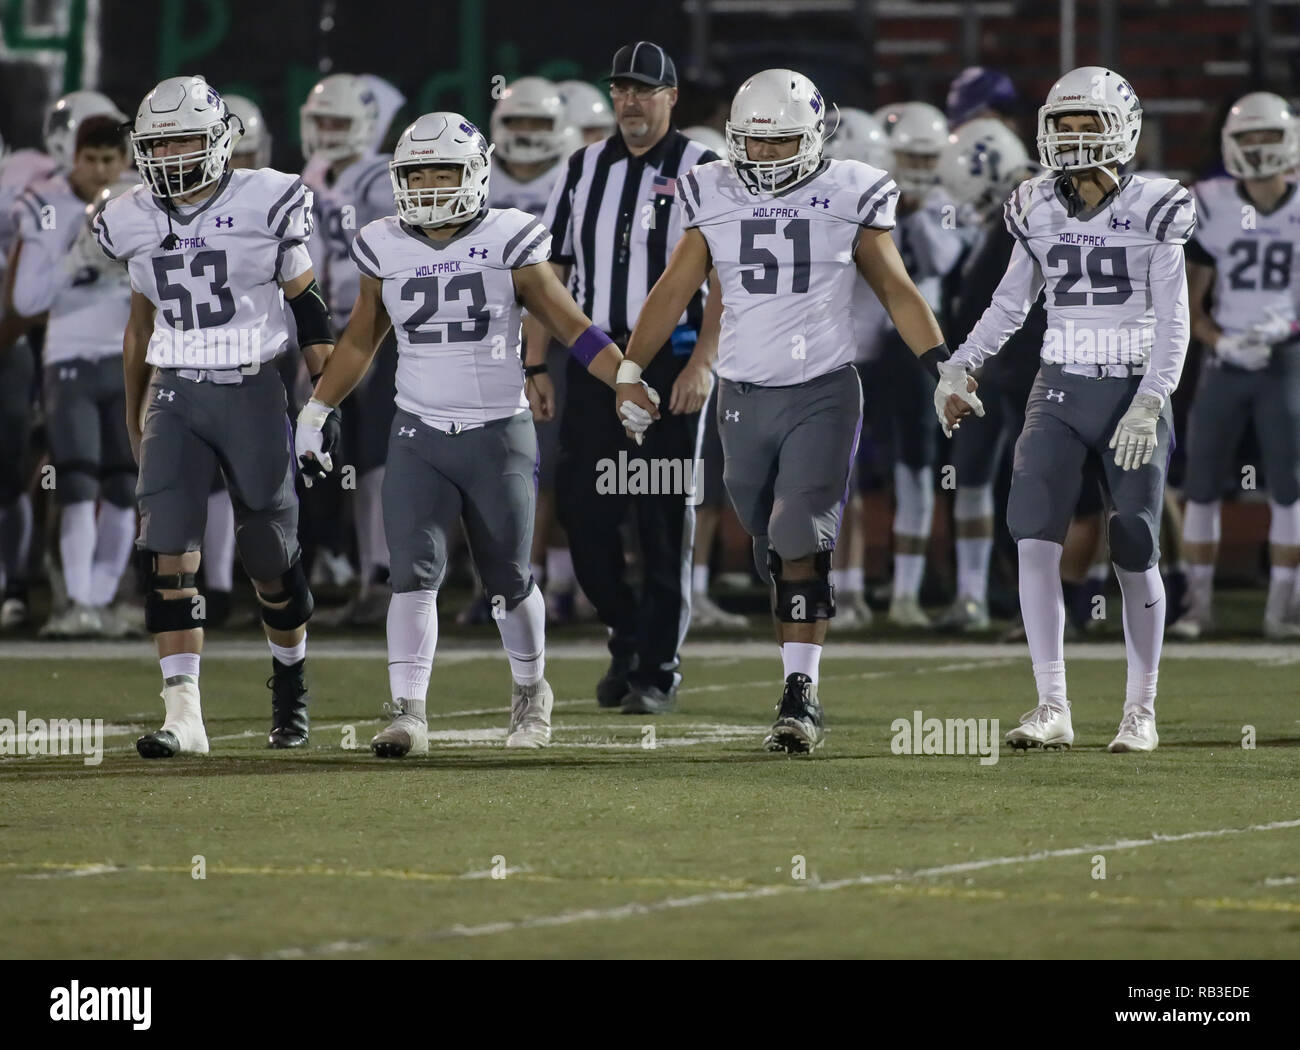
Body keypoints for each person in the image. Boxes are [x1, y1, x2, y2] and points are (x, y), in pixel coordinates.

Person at [616, 68, 948, 752]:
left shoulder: (848, 191)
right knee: (767, 535)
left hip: (823, 387)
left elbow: (898, 289)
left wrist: (941, 368)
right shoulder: (712, 190)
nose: (765, 157)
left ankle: (800, 692)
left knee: (799, 530)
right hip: (742, 393)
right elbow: (674, 288)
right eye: (753, 144)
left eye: (781, 143)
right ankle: (800, 608)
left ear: (815, 137)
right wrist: (627, 370)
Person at [296, 111, 634, 754]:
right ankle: (407, 711)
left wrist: (624, 378)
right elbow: (362, 337)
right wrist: (317, 409)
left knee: (508, 576)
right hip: (418, 430)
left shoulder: (510, 238)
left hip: (497, 430)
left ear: (476, 174)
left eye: (441, 170)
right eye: (415, 171)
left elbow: (571, 325)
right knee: (411, 574)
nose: (426, 184)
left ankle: (533, 693)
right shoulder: (383, 243)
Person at [939, 66, 1195, 754]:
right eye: (1065, 127)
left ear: (1124, 132)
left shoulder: (1156, 204)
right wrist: (962, 363)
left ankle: (1140, 710)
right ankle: (1052, 703)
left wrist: (1150, 401)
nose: (1076, 140)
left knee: (1136, 539)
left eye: (1091, 126)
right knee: (1032, 531)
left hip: (1130, 387)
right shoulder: (1033, 203)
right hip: (1059, 384)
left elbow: (1175, 324)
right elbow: (1009, 304)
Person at [94, 75, 336, 756]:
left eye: (184, 139)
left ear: (221, 140)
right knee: (166, 550)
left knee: (268, 555)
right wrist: (135, 405)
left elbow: (309, 307)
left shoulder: (268, 198)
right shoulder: (131, 216)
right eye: (159, 141)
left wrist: (325, 399)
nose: (170, 154)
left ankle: (290, 681)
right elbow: (140, 327)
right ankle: (184, 716)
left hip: (254, 388)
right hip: (176, 390)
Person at [532, 41, 721, 714]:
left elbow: (726, 277)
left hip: (673, 358)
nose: (630, 101)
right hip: (595, 358)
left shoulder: (706, 168)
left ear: (672, 97)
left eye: (644, 90)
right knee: (583, 512)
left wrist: (704, 362)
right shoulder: (581, 167)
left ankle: (656, 669)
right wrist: (535, 363)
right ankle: (628, 634)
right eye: (620, 89)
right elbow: (547, 276)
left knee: (662, 512)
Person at [1170, 92, 1300, 640]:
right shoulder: (1212, 203)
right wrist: (1218, 342)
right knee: (1201, 484)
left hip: (1286, 360)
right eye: (1249, 137)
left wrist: (1289, 328)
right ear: (1231, 143)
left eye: (1268, 135)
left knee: (1289, 487)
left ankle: (1282, 610)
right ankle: (1198, 607)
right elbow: (1186, 303)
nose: (1258, 146)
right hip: (1226, 364)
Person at [7, 114, 138, 638]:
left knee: (126, 486)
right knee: (78, 480)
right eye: (91, 159)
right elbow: (25, 299)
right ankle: (77, 601)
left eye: (110, 159)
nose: (100, 169)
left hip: (129, 356)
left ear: (124, 161)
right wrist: (74, 258)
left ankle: (101, 602)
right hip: (70, 357)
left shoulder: (142, 204)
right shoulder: (46, 209)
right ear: (75, 158)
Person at [300, 73, 400, 625]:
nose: (329, 132)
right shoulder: (309, 178)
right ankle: (358, 573)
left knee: (377, 457)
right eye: (322, 121)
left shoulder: (379, 180)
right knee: (342, 461)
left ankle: (384, 576)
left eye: (339, 121)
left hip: (377, 332)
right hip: (325, 335)